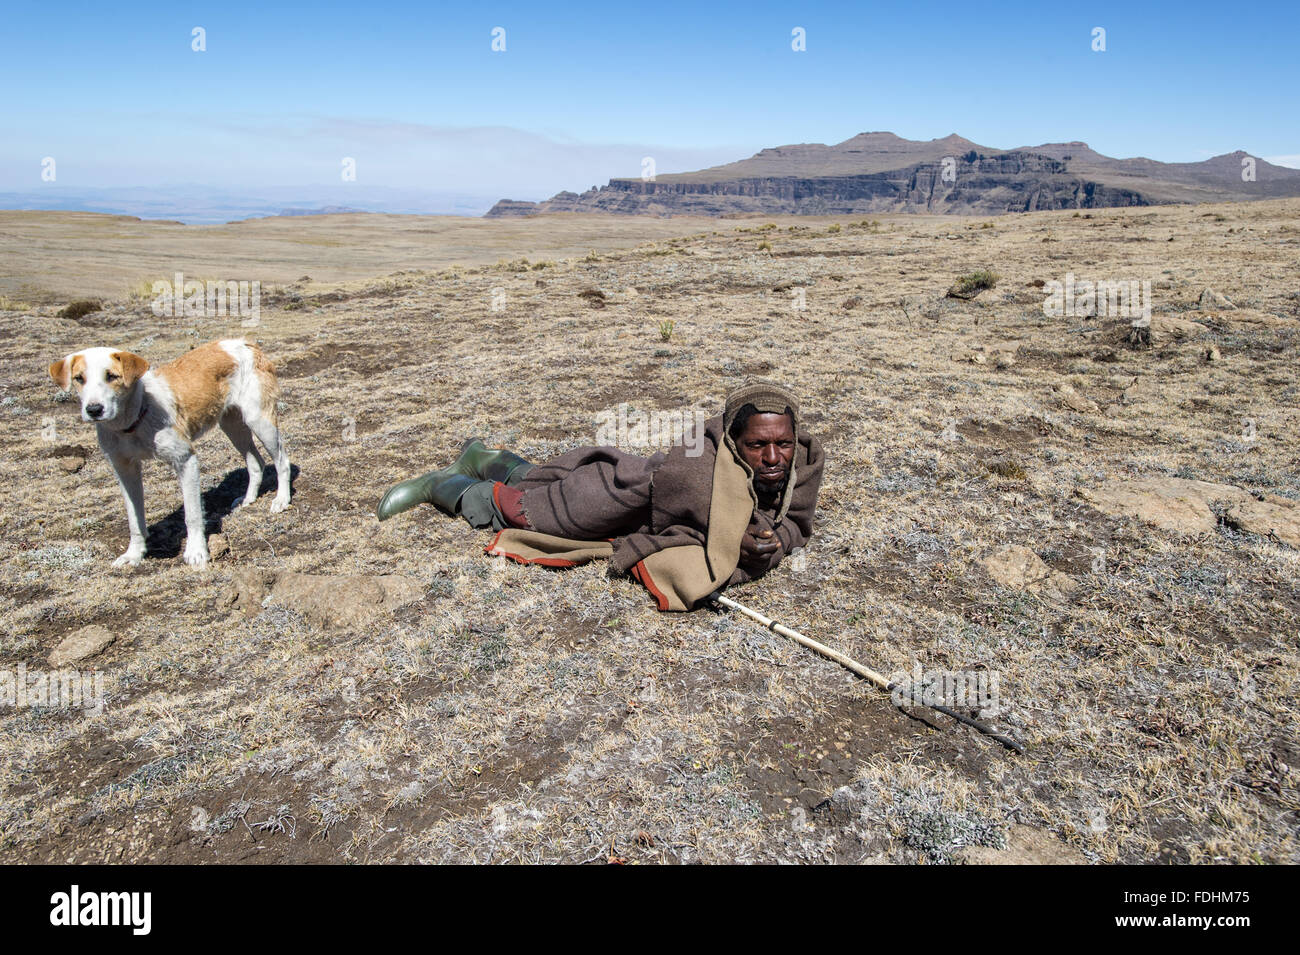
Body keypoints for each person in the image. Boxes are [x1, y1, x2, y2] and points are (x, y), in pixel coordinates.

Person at [376, 380, 824, 611]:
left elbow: (794, 522)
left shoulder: (803, 459)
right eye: (756, 445)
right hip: (617, 500)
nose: (772, 457)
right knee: (524, 511)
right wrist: (735, 541)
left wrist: (779, 542)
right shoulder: (699, 466)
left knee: (536, 477)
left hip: (634, 494)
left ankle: (486, 455)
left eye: (782, 444)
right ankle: (446, 486)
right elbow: (691, 529)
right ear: (732, 441)